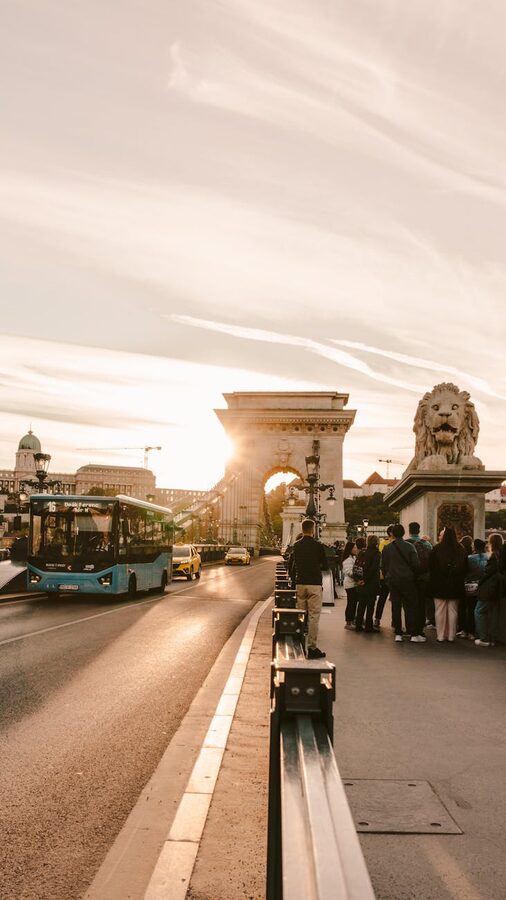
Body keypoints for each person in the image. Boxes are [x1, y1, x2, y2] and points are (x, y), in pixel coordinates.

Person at [290, 518, 329, 659]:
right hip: (314, 584)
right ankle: (311, 648)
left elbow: (294, 564)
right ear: (313, 529)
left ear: (302, 529)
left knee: (301, 615)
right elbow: (325, 565)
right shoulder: (318, 546)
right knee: (313, 616)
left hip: (300, 583)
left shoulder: (296, 545)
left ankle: (299, 644)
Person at [381, 523, 422, 642]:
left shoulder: (387, 548)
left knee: (396, 606)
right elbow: (416, 564)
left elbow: (383, 566)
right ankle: (413, 633)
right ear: (404, 533)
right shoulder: (410, 547)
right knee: (410, 606)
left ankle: (398, 633)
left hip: (393, 580)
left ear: (392, 534)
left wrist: (388, 577)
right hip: (407, 579)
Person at [429, 526, 467, 642]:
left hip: (439, 584)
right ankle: (451, 636)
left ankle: (440, 635)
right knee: (453, 611)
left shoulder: (437, 548)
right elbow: (465, 567)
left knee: (439, 610)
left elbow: (431, 566)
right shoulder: (461, 549)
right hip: (455, 584)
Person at [474, 533, 504, 647]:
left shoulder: (494, 556)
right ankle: (492, 638)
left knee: (479, 611)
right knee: (494, 613)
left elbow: (488, 572)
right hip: (498, 588)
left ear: (492, 543)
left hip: (489, 587)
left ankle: (484, 638)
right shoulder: (501, 555)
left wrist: (479, 583)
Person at [457, 538, 488, 640]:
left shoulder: (470, 558)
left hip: (469, 586)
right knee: (474, 608)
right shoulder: (487, 557)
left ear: (475, 546)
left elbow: (463, 571)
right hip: (481, 586)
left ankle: (465, 630)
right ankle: (472, 631)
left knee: (466, 608)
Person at [406, 522, 432, 640]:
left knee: (409, 604)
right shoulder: (426, 544)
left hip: (410, 578)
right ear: (419, 530)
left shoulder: (406, 543)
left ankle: (410, 627)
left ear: (409, 530)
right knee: (421, 603)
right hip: (423, 578)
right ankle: (420, 629)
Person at [355, 534, 381, 633]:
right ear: (376, 543)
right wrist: (365, 580)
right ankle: (368, 626)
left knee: (361, 604)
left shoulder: (362, 552)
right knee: (370, 605)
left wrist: (358, 580)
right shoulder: (376, 554)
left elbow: (356, 567)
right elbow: (374, 569)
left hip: (360, 582)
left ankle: (358, 624)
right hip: (371, 583)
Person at [374, 525, 394, 627]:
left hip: (386, 575)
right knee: (385, 598)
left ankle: (378, 619)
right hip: (388, 576)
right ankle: (378, 618)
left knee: (384, 598)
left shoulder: (383, 543)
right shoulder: (385, 544)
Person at [341, 539, 360, 628]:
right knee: (351, 604)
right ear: (350, 549)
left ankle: (351, 620)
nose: (356, 549)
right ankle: (348, 622)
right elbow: (349, 572)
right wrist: (358, 576)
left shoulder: (353, 558)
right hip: (350, 584)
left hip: (353, 584)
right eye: (354, 548)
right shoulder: (348, 560)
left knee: (353, 603)